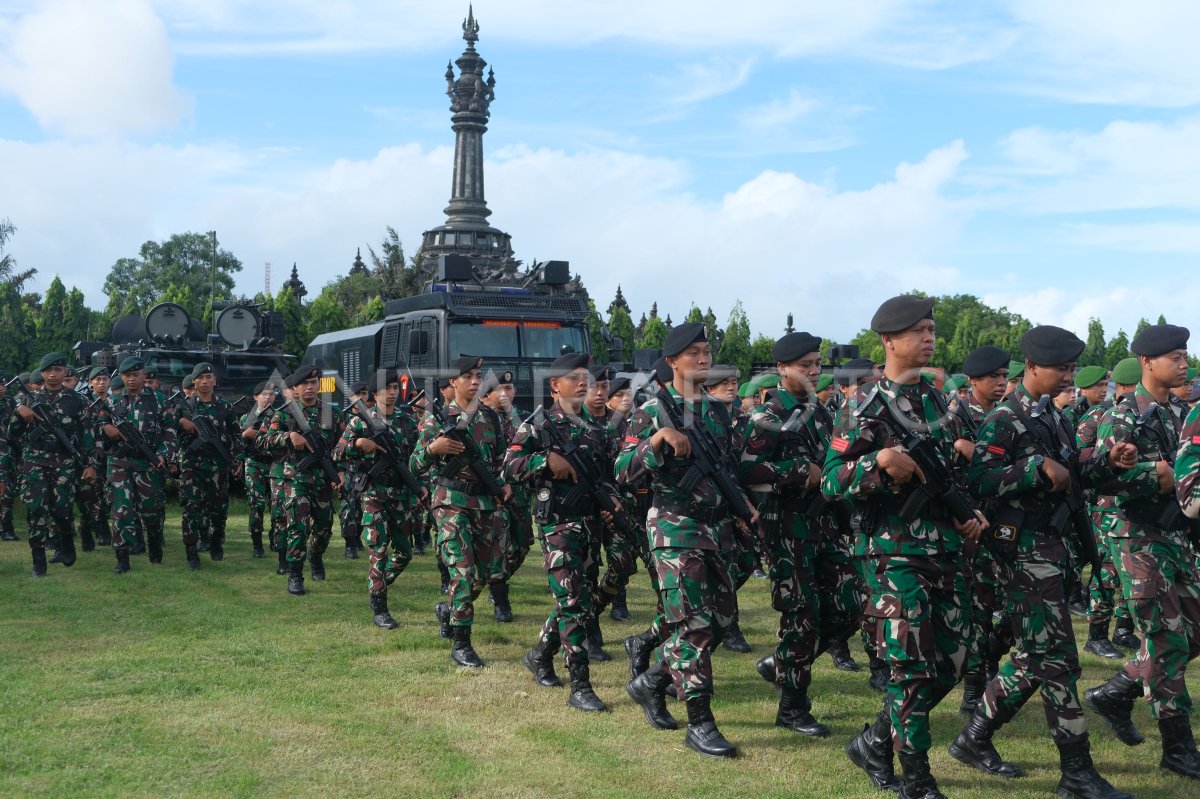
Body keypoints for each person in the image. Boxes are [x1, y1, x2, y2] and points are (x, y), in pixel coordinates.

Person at [948, 325, 1134, 799]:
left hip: (1052, 550)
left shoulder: (1054, 417)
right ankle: (1077, 773)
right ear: (1032, 367)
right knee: (1058, 661)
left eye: (1073, 368)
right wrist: (1032, 469)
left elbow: (1070, 474)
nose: (1070, 376)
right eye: (1062, 368)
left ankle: (973, 738)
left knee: (1033, 658)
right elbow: (981, 479)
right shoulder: (1005, 419)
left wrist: (1107, 461)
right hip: (1021, 554)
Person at [826, 296, 984, 798]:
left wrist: (966, 509)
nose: (930, 337)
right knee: (910, 665)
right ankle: (916, 777)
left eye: (932, 329)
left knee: (955, 660)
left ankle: (876, 739)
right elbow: (831, 480)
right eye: (919, 330)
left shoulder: (940, 403)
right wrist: (878, 462)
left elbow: (947, 474)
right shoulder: (862, 404)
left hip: (942, 549)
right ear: (890, 341)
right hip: (891, 553)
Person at [617, 322, 759, 758]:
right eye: (693, 353)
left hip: (717, 528)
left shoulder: (718, 411)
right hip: (675, 528)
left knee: (719, 619)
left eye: (706, 351)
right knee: (695, 622)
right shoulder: (653, 409)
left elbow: (730, 468)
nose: (703, 359)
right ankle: (700, 723)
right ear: (673, 361)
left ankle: (653, 681)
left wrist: (744, 509)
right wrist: (657, 442)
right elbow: (623, 469)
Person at [1086, 324, 1200, 783]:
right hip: (1134, 537)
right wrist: (1158, 476)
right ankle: (1178, 748)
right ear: (1148, 363)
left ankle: (1117, 690)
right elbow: (1098, 474)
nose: (1185, 362)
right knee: (1167, 638)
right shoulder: (1123, 415)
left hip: (1173, 537)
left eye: (1185, 354)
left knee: (1193, 630)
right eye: (1175, 356)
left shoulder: (1178, 412)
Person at [740, 331, 859, 737]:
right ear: (781, 369)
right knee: (801, 616)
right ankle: (792, 707)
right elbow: (746, 471)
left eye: (816, 364)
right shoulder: (766, 418)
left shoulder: (822, 413)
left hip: (826, 525)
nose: (813, 372)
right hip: (787, 530)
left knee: (850, 606)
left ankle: (782, 665)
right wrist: (796, 473)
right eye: (804, 365)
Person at [505, 352, 616, 711]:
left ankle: (540, 653)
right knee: (572, 601)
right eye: (574, 377)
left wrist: (611, 505)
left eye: (586, 376)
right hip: (557, 524)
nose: (583, 382)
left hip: (590, 524)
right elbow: (509, 466)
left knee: (579, 601)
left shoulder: (597, 428)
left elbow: (605, 477)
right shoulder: (539, 426)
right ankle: (580, 685)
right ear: (555, 386)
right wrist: (544, 461)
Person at [411, 356, 512, 668]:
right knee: (463, 572)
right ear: (452, 382)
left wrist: (504, 484)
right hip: (450, 502)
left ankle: (449, 610)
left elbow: (501, 461)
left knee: (487, 574)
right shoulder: (435, 420)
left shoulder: (490, 419)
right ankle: (462, 643)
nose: (473, 380)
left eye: (477, 375)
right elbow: (414, 465)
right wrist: (432, 450)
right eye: (466, 376)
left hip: (484, 504)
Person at [335, 369, 427, 629]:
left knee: (405, 553)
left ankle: (378, 583)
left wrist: (420, 485)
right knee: (379, 548)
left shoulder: (407, 421)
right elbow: (337, 452)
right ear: (374, 394)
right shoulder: (360, 422)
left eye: (395, 388)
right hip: (374, 494)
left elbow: (417, 457)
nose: (393, 392)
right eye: (387, 388)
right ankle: (380, 604)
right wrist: (358, 444)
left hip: (401, 495)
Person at [8, 352, 101, 577]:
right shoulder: (29, 399)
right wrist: (19, 413)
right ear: (42, 374)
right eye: (49, 370)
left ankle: (66, 537)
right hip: (35, 460)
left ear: (65, 373)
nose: (53, 374)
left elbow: (89, 434)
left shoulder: (78, 400)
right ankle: (38, 561)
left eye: (58, 370)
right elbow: (12, 433)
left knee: (62, 511)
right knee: (35, 509)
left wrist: (91, 464)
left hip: (64, 463)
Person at [956, 345, 1011, 714]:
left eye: (1005, 376)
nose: (1001, 383)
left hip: (1007, 520)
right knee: (979, 606)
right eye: (994, 377)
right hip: (974, 523)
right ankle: (974, 685)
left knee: (1010, 604)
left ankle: (991, 659)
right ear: (974, 380)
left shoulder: (1008, 415)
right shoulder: (957, 415)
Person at [262, 365, 341, 595]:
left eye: (314, 383)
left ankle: (315, 556)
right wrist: (289, 436)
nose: (310, 387)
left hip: (323, 478)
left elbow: (340, 446)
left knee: (324, 527)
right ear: (295, 388)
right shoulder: (285, 413)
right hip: (296, 478)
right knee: (297, 527)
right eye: (305, 383)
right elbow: (263, 441)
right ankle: (295, 575)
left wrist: (341, 471)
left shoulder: (331, 413)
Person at [98, 357, 174, 573]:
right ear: (122, 377)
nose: (131, 379)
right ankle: (122, 559)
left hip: (148, 464)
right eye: (127, 375)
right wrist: (107, 429)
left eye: (136, 375)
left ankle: (155, 544)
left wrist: (163, 454)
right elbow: (99, 424)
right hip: (119, 463)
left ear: (143, 376)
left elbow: (170, 430)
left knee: (151, 512)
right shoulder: (112, 402)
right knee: (121, 510)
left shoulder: (159, 400)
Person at [173, 363, 242, 568]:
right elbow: (169, 432)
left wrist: (237, 460)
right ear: (193, 381)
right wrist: (182, 424)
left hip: (218, 467)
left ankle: (215, 540)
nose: (205, 382)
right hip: (192, 467)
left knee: (218, 512)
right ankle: (192, 553)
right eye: (200, 378)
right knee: (191, 510)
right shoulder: (184, 407)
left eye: (209, 377)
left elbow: (236, 437)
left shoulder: (225, 407)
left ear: (215, 380)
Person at [481, 369, 531, 624]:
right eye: (499, 389)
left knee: (522, 544)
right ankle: (501, 601)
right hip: (494, 494)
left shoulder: (523, 419)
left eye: (509, 389)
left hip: (520, 493)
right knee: (498, 547)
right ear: (487, 396)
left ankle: (495, 579)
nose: (505, 393)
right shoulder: (483, 420)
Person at [240, 381, 277, 559]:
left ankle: (275, 540)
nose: (268, 397)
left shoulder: (280, 417)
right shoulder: (246, 418)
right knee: (256, 504)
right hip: (254, 463)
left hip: (274, 465)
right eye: (264, 394)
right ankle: (257, 544)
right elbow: (235, 444)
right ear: (256, 397)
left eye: (271, 394)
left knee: (277, 505)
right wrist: (244, 435)